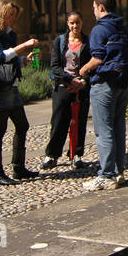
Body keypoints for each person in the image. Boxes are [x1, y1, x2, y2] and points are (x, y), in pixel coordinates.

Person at [78, 0, 128, 191]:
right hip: (123, 83)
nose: (93, 11)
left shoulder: (99, 30)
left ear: (101, 7)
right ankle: (118, 172)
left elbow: (98, 59)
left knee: (104, 130)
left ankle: (106, 175)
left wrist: (83, 70)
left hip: (105, 84)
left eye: (94, 8)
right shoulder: (123, 27)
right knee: (118, 127)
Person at [0, 0, 40, 186]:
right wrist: (23, 47)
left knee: (22, 125)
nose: (14, 18)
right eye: (11, 15)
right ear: (1, 14)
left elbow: (11, 59)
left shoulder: (10, 34)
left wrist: (23, 60)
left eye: (15, 15)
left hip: (11, 84)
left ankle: (18, 167)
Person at [42, 10, 91, 171]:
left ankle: (76, 155)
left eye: (77, 22)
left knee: (79, 122)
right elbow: (55, 67)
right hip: (63, 86)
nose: (75, 25)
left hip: (81, 87)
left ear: (81, 23)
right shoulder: (60, 41)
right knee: (58, 121)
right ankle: (52, 155)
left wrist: (83, 81)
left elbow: (92, 65)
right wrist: (70, 79)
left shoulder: (87, 42)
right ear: (67, 24)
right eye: (72, 23)